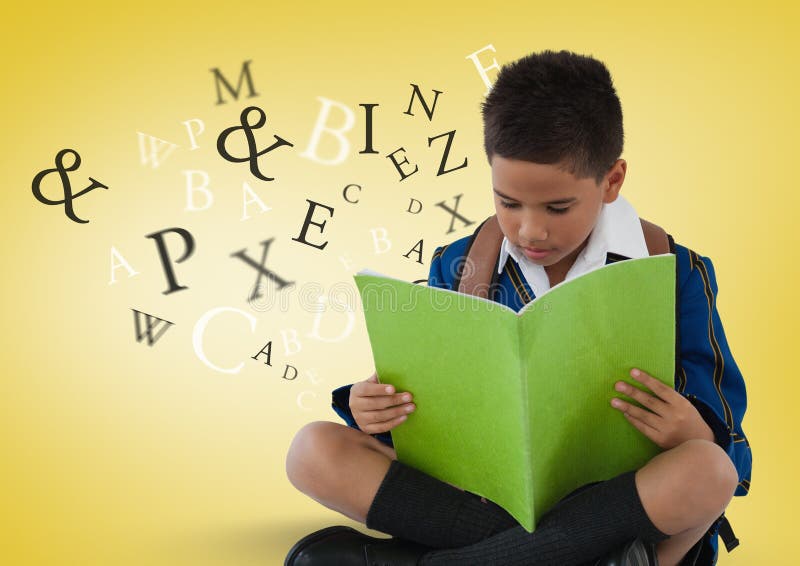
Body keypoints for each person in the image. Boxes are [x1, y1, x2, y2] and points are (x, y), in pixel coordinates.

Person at [283, 49, 752, 566]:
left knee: (710, 470)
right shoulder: (458, 265)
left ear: (612, 181)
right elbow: (425, 419)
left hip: (625, 502)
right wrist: (377, 410)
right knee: (312, 451)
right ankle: (575, 557)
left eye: (557, 207)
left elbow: (728, 446)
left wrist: (693, 430)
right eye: (508, 202)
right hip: (484, 496)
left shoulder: (677, 271)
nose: (530, 230)